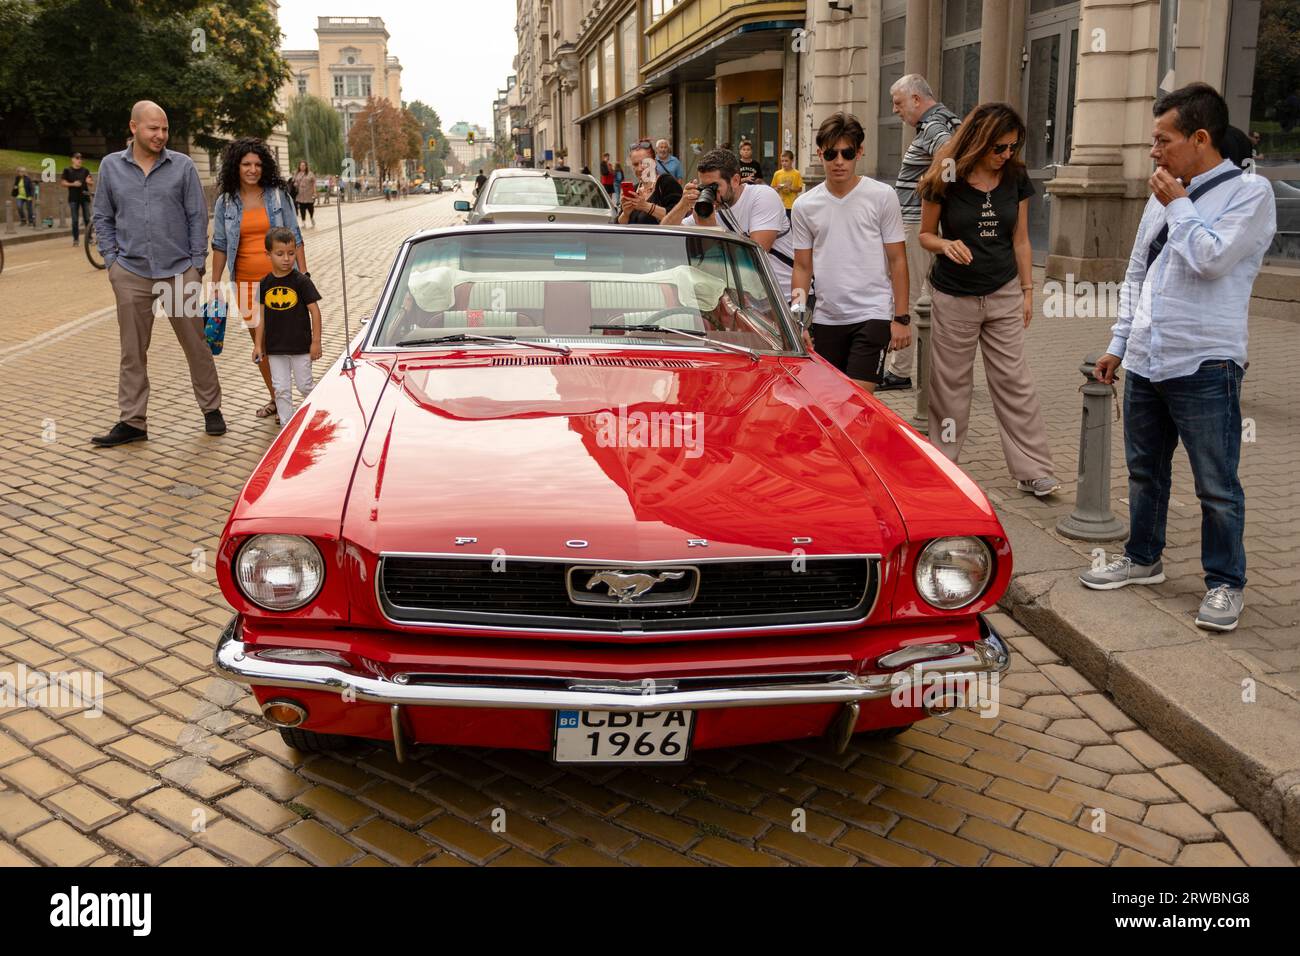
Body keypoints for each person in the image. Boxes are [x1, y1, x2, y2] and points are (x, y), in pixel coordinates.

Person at [1080, 83, 1275, 633]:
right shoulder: (1163, 196)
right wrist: (1118, 344)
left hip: (1206, 361)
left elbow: (1211, 260)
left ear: (1200, 138)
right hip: (1147, 356)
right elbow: (1139, 271)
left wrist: (1180, 205)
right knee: (1144, 471)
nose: (1153, 152)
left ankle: (1224, 583)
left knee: (1216, 483)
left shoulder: (1249, 194)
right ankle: (1143, 559)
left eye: (1163, 140)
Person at [917, 102, 1059, 496]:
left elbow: (1022, 239)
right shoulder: (945, 175)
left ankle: (1033, 469)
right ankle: (945, 466)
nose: (1006, 155)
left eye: (1012, 147)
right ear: (979, 140)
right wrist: (946, 245)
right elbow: (925, 235)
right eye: (999, 147)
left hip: (1003, 291)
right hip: (954, 295)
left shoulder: (1015, 176)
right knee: (950, 385)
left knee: (1015, 382)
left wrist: (1029, 291)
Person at [90, 100, 224, 446]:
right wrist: (112, 261)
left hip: (179, 271)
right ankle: (133, 422)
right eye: (153, 128)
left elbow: (198, 216)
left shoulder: (182, 167)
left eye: (164, 129)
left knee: (197, 345)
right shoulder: (110, 167)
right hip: (130, 272)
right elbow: (102, 217)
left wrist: (197, 265)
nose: (161, 135)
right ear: (134, 128)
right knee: (132, 351)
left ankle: (211, 409)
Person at [790, 113, 910, 393]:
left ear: (859, 152)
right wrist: (798, 320)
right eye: (831, 154)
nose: (839, 161)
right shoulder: (804, 205)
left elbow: (898, 259)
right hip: (826, 318)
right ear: (820, 154)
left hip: (873, 313)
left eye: (847, 153)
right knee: (829, 403)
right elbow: (802, 267)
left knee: (857, 403)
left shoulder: (882, 196)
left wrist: (901, 318)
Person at [210, 137, 306, 422]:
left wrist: (304, 276)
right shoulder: (225, 202)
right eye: (246, 164)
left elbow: (296, 237)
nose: (252, 169)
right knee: (262, 344)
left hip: (281, 282)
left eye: (257, 164)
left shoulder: (277, 196)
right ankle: (278, 399)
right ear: (235, 167)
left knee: (284, 342)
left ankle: (287, 397)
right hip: (245, 284)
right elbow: (218, 244)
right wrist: (215, 285)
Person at [886, 74, 961, 392]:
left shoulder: (934, 126)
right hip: (926, 222)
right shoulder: (947, 119)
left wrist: (931, 189)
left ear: (917, 99)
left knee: (909, 295)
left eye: (898, 102)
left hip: (918, 222)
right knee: (935, 300)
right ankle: (942, 372)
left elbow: (948, 159)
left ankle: (900, 371)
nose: (895, 110)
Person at [663, 147, 796, 299]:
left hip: (783, 299)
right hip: (745, 301)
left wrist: (712, 230)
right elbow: (665, 234)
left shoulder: (762, 196)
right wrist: (683, 204)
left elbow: (754, 258)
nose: (710, 193)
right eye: (704, 187)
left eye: (714, 187)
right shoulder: (711, 206)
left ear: (735, 180)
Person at [252, 227, 322, 427]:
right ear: (268, 254)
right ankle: (286, 425)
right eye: (280, 254)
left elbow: (315, 312)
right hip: (275, 348)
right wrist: (258, 345)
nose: (286, 259)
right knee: (280, 388)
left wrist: (315, 342)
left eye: (291, 254)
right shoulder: (264, 283)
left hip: (300, 346)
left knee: (305, 386)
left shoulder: (301, 281)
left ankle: (320, 414)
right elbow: (260, 317)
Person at [616, 141, 682, 226]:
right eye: (635, 164)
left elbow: (678, 216)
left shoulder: (666, 182)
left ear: (654, 162)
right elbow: (620, 225)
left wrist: (645, 206)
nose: (640, 168)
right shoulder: (634, 189)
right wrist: (626, 213)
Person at [61, 153, 94, 245]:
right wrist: (73, 184)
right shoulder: (67, 170)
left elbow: (91, 183)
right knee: (75, 220)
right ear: (72, 159)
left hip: (85, 197)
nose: (79, 160)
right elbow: (63, 183)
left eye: (81, 158)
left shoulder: (85, 171)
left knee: (87, 219)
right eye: (77, 158)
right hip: (73, 198)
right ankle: (76, 240)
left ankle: (89, 238)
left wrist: (89, 182)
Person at [770, 150, 803, 220]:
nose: (784, 163)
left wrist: (790, 188)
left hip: (793, 205)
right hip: (780, 205)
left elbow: (800, 189)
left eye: (786, 161)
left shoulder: (796, 173)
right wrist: (777, 188)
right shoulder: (777, 173)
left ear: (792, 161)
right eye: (782, 161)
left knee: (791, 225)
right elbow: (772, 189)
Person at [291, 160, 316, 228]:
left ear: (306, 166)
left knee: (310, 207)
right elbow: (293, 182)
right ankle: (303, 221)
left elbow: (314, 183)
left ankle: (311, 217)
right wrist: (295, 184)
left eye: (304, 165)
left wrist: (314, 192)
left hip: (309, 194)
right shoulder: (296, 174)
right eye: (301, 165)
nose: (302, 167)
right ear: (299, 166)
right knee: (302, 208)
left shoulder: (310, 174)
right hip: (300, 194)